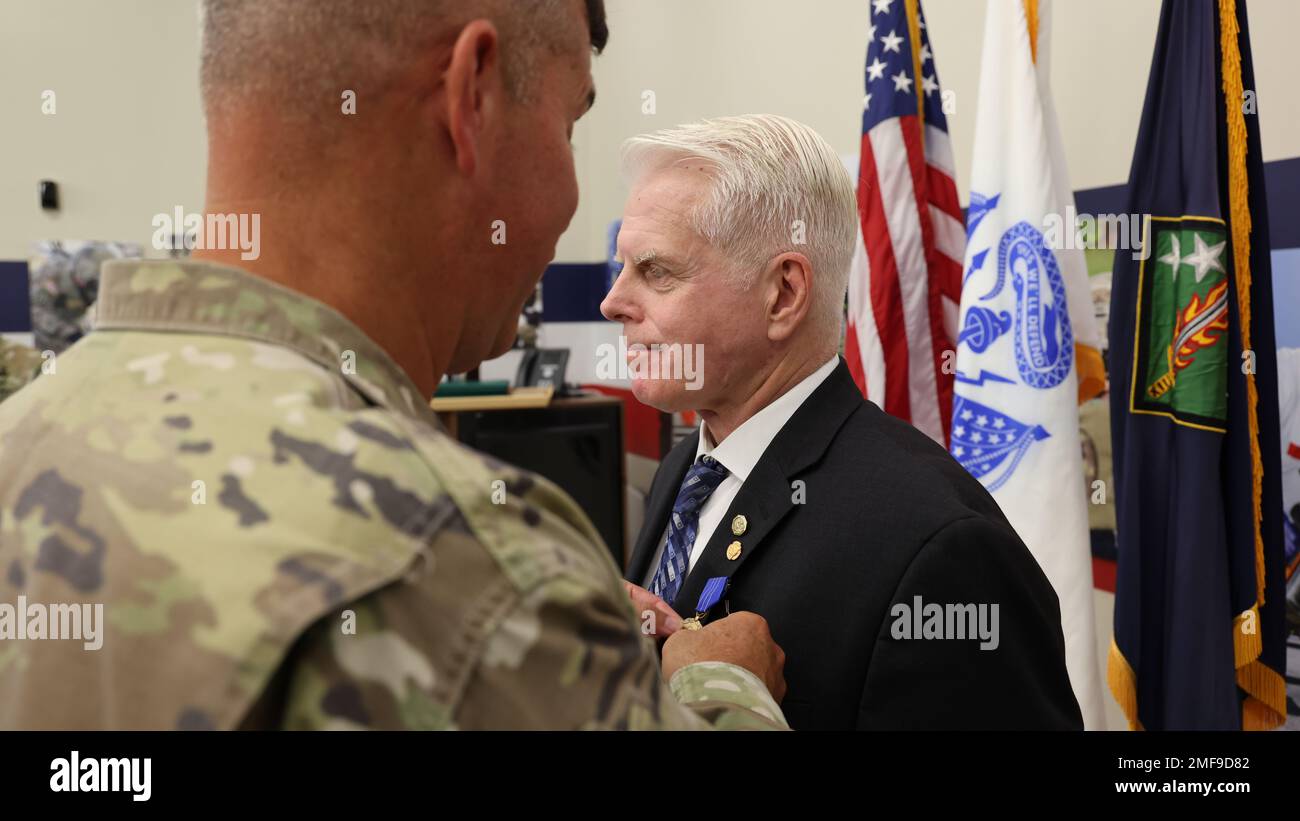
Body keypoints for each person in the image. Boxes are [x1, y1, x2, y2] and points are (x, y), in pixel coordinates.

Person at [0, 0, 788, 730]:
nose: (569, 186)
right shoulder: (460, 565)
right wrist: (718, 687)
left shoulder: (23, 436)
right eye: (569, 124)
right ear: (471, 97)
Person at [605, 115, 1083, 730]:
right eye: (623, 269)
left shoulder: (941, 546)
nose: (613, 301)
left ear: (782, 294)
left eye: (656, 271)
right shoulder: (687, 471)